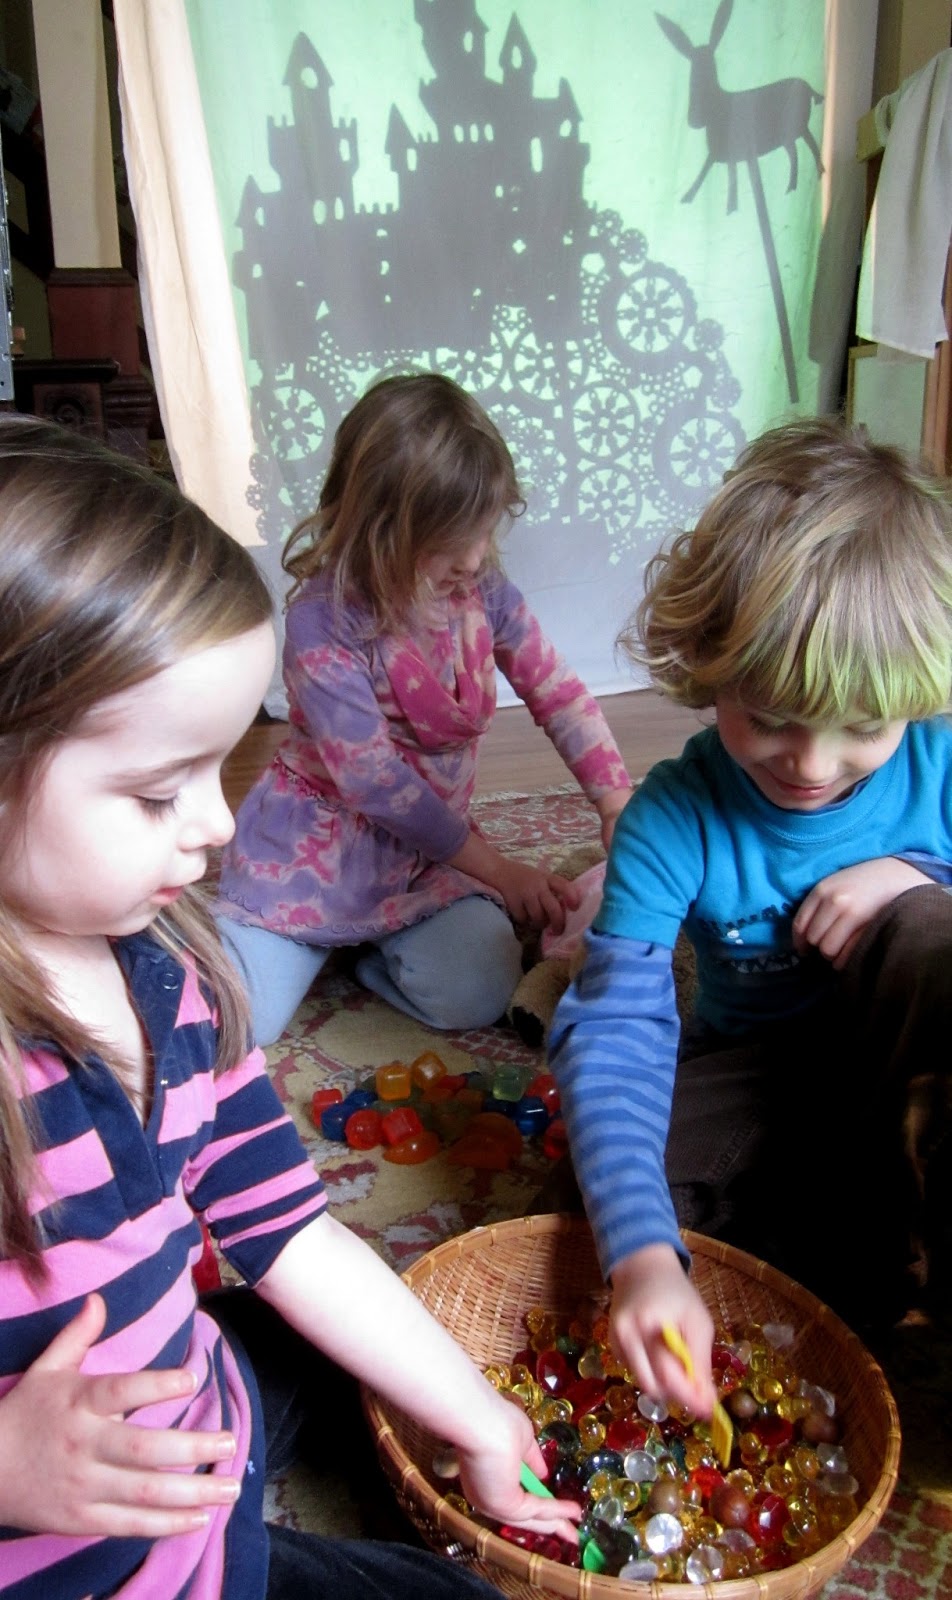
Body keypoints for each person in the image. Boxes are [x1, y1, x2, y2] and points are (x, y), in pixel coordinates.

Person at [0, 417, 581, 1600]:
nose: (219, 824)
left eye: (218, 770)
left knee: (333, 1367)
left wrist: (474, 1416)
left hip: (205, 1490)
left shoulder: (167, 975)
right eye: (161, 791)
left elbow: (287, 1230)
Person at [548, 417, 952, 1417]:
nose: (810, 766)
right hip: (763, 1076)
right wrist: (642, 1253)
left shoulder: (940, 764)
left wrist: (908, 873)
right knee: (591, 1209)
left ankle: (883, 1233)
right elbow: (615, 1032)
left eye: (862, 726)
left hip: (915, 1064)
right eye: (767, 712)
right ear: (708, 664)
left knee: (929, 936)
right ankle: (856, 1226)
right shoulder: (669, 819)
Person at [216, 373, 633, 1046]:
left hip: (424, 860)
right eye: (450, 541)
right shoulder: (324, 620)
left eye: (483, 533)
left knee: (480, 990)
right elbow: (375, 782)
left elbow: (555, 689)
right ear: (381, 531)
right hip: (314, 858)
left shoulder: (484, 591)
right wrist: (501, 872)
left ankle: (367, 955)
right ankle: (304, 941)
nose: (473, 559)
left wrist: (613, 800)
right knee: (241, 1024)